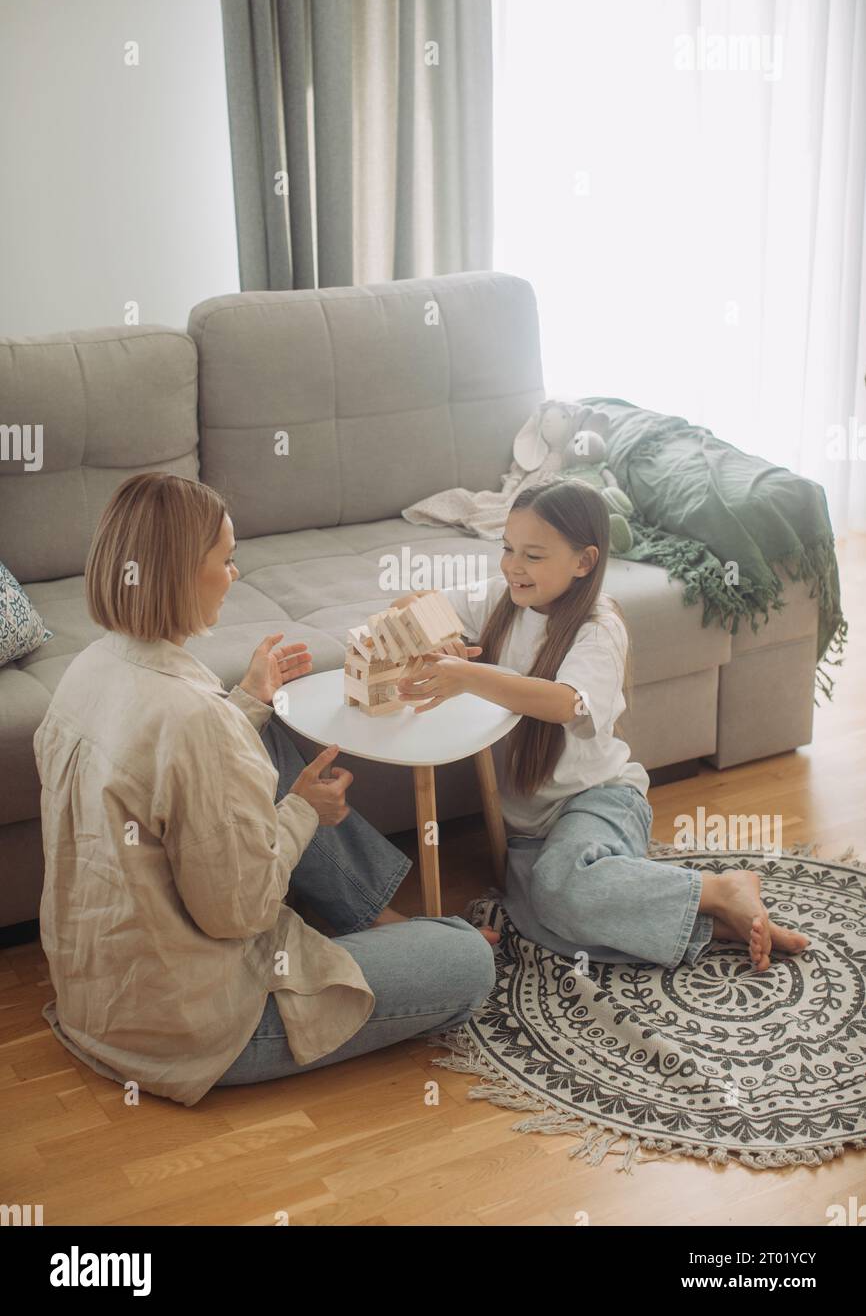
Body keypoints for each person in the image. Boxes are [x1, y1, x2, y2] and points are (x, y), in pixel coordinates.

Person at [33, 472, 496, 1108]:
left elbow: (171, 773)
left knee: (266, 736)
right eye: (225, 560)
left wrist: (246, 702)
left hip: (101, 995)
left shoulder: (90, 667)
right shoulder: (195, 720)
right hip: (197, 1030)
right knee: (466, 958)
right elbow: (238, 913)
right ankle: (387, 940)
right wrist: (306, 809)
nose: (235, 574)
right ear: (177, 572)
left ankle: (373, 923)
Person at [396, 478, 811, 972]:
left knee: (556, 893)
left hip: (599, 800)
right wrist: (438, 632)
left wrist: (468, 675)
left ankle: (719, 887)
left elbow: (567, 703)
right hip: (533, 830)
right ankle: (715, 920)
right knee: (542, 918)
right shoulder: (503, 599)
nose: (513, 566)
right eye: (507, 549)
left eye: (532, 555)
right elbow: (411, 604)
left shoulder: (598, 626)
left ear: (583, 561)